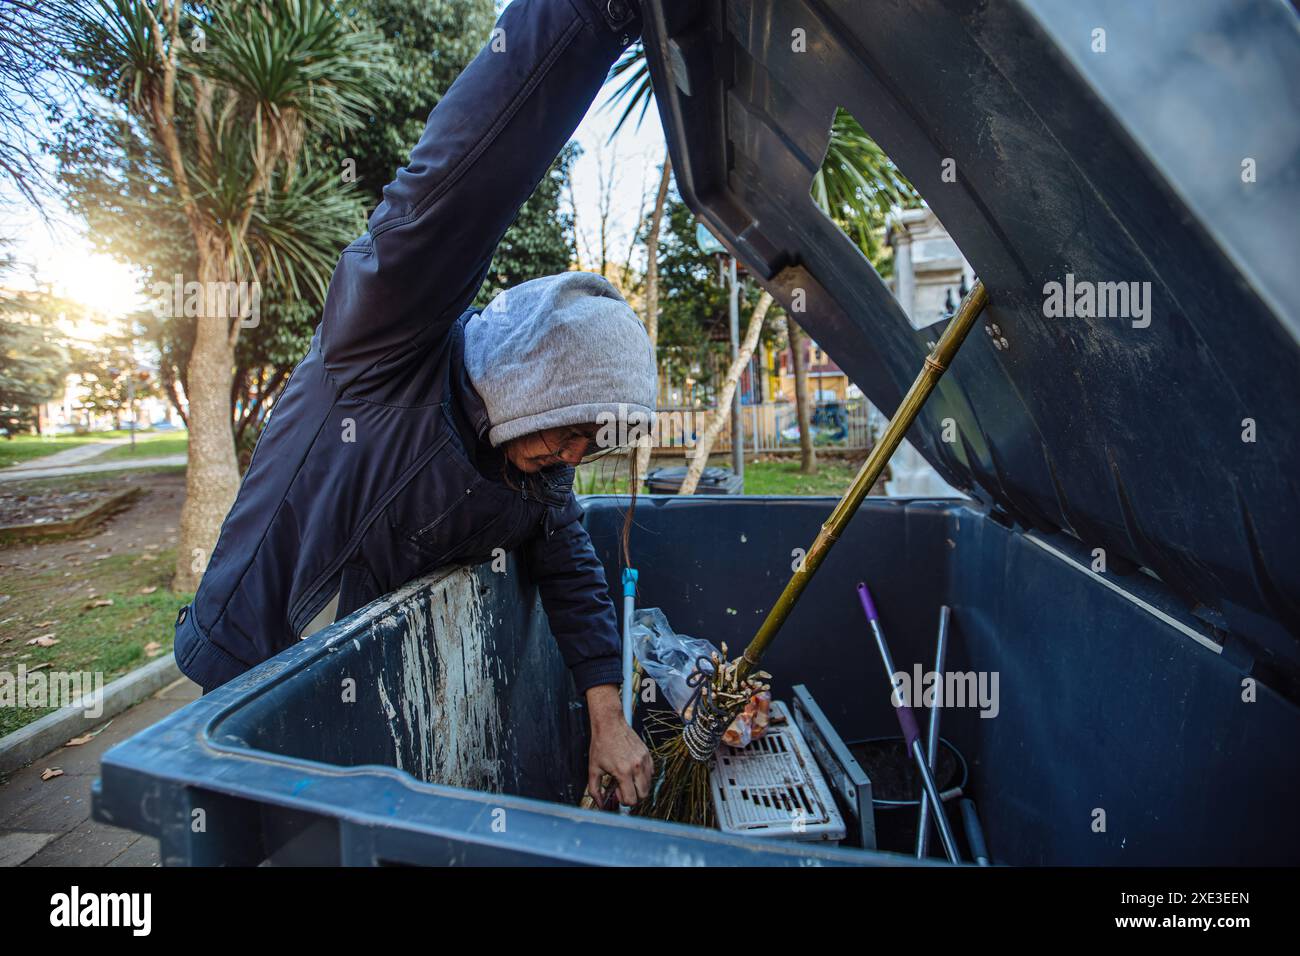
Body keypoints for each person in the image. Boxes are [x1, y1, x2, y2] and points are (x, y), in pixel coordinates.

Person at [172, 0, 654, 808]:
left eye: (593, 443)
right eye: (572, 429)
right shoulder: (387, 342)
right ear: (525, 382)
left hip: (373, 703)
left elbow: (568, 567)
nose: (575, 456)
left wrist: (608, 714)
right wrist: (589, 19)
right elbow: (457, 185)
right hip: (255, 676)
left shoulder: (535, 472)